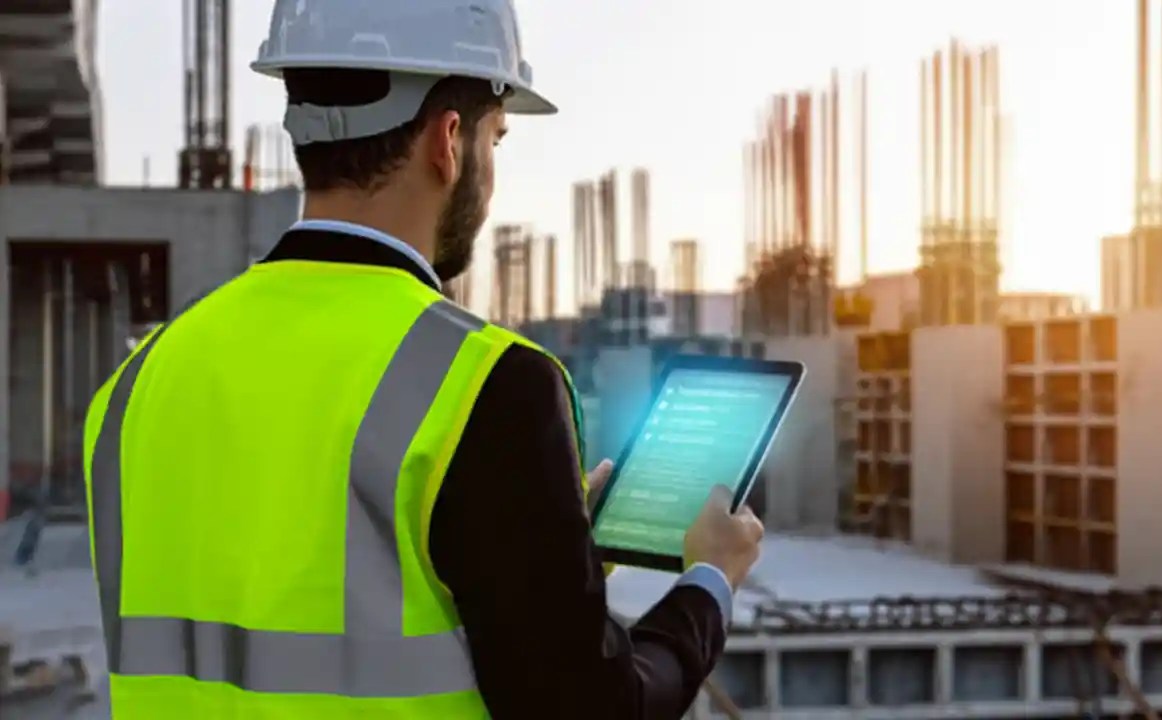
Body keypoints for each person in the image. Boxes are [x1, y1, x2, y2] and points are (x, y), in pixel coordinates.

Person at [81, 1, 765, 717]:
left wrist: (540, 552)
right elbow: (589, 706)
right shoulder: (488, 382)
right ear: (449, 141)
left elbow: (291, 589)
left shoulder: (137, 383)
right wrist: (709, 581)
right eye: (495, 139)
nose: (490, 171)